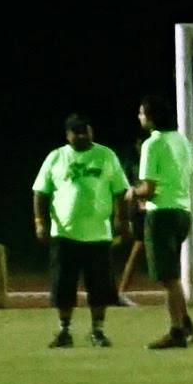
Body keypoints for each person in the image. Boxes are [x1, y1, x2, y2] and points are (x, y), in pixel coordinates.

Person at [30, 113, 128, 346]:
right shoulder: (56, 157)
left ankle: (98, 331)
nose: (82, 135)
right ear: (68, 135)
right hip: (65, 234)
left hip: (98, 235)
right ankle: (64, 331)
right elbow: (40, 192)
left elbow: (120, 191)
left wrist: (121, 219)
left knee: (99, 286)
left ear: (92, 131)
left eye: (86, 130)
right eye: (77, 131)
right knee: (63, 285)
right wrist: (40, 222)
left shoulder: (106, 155)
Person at [127, 96, 193, 348]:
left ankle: (177, 331)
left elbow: (148, 188)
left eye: (141, 112)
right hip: (183, 213)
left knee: (168, 277)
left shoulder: (153, 143)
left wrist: (133, 193)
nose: (139, 117)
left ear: (151, 117)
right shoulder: (182, 141)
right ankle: (185, 322)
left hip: (162, 215)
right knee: (171, 275)